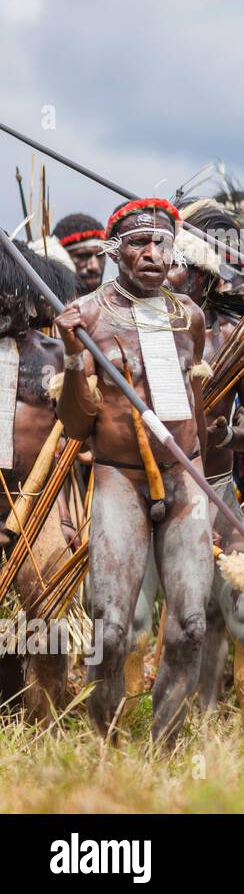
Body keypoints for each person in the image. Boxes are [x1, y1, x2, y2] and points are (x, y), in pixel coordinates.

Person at [53, 198, 213, 744]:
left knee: (192, 624)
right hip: (119, 475)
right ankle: (108, 741)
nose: (152, 253)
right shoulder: (87, 315)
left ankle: (166, 747)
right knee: (113, 627)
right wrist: (75, 355)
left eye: (161, 242)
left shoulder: (189, 315)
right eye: (139, 243)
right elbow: (77, 425)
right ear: (114, 251)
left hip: (184, 474)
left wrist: (204, 481)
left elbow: (198, 410)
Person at [165, 199, 244, 728]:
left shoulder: (233, 338)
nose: (171, 275)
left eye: (182, 266)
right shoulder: (122, 327)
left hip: (216, 487)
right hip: (140, 489)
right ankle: (138, 740)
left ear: (203, 273)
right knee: (139, 625)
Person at [0, 245, 78, 721]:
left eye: (10, 295)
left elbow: (73, 439)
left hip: (40, 501)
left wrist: (66, 514)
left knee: (48, 607)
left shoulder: (54, 355)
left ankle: (43, 716)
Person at [53, 214, 108, 294]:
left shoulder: (120, 303)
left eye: (100, 255)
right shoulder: (39, 304)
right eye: (83, 256)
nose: (94, 267)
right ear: (60, 256)